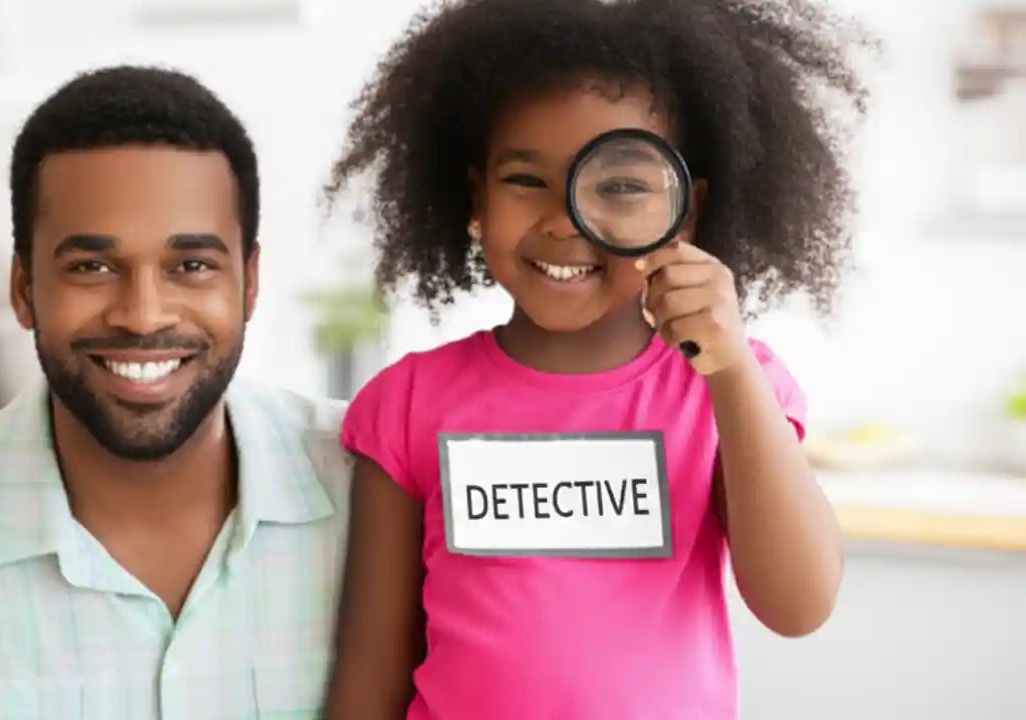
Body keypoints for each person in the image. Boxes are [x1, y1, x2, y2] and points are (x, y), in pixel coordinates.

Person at [321, 0, 872, 718]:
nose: (563, 221)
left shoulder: (734, 387)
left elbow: (799, 605)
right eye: (525, 181)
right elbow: (373, 668)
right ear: (475, 197)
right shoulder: (407, 404)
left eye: (619, 186)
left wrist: (730, 369)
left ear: (687, 211)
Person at [0, 65, 349, 719]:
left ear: (249, 283)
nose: (143, 314)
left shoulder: (379, 496)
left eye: (191, 265)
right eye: (92, 267)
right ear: (23, 290)